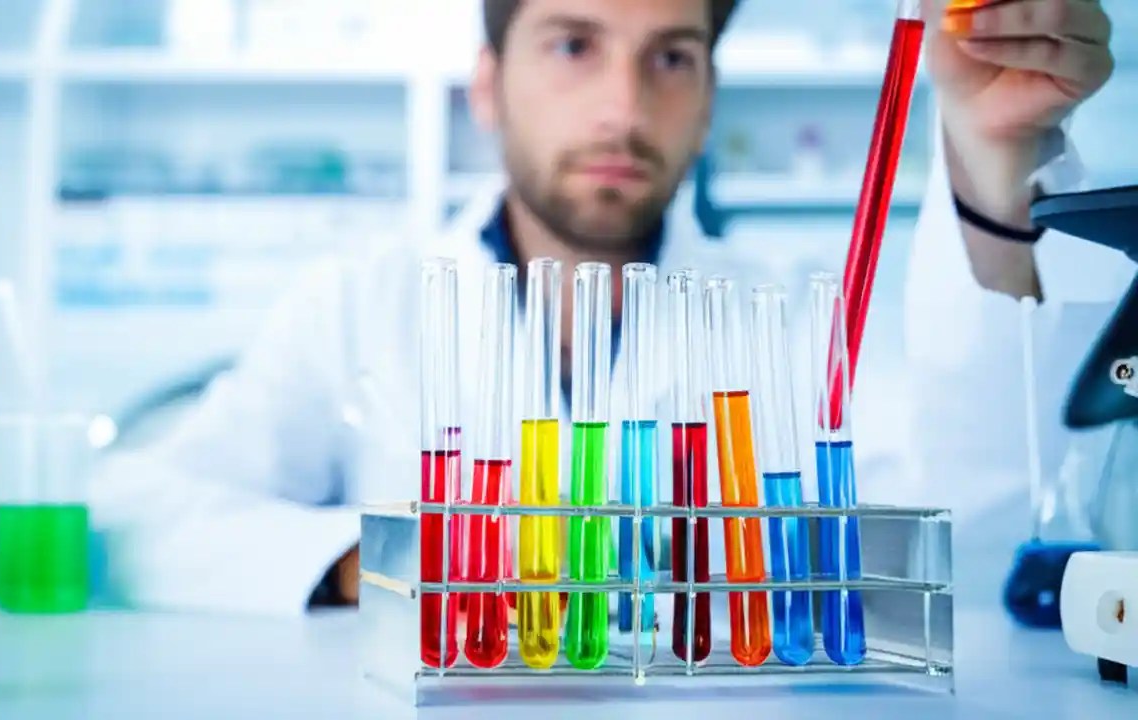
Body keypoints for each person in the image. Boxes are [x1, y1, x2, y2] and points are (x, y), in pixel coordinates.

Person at [89, 0, 1125, 616]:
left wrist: (996, 162)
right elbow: (129, 511)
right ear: (486, 86)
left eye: (670, 56)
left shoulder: (788, 315)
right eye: (572, 45)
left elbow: (987, 525)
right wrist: (387, 562)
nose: (623, 108)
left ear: (708, 98)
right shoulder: (360, 304)